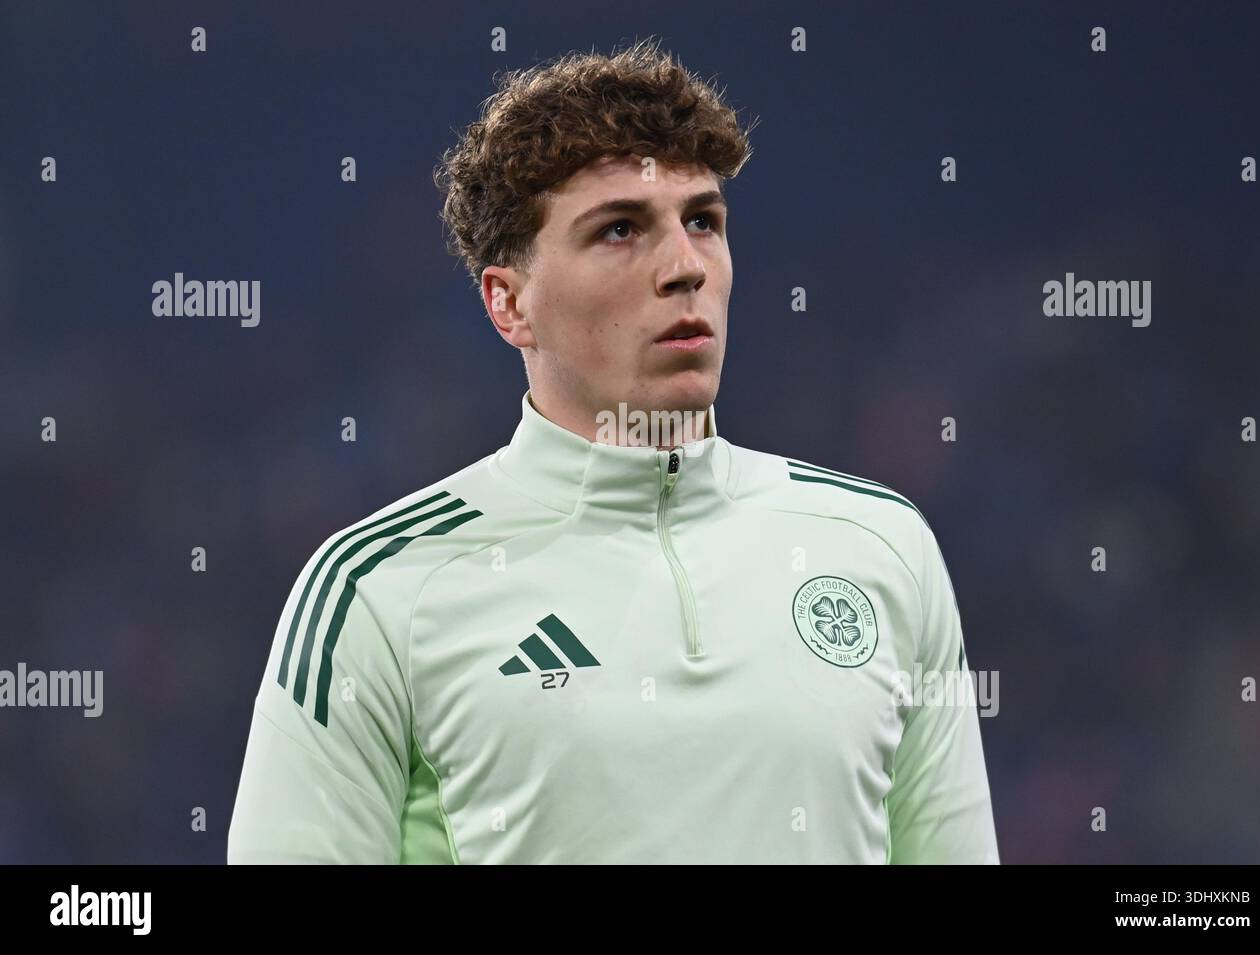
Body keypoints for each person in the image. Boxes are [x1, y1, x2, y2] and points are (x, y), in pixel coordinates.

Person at [228, 37, 999, 864]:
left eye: (703, 220)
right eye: (621, 230)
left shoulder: (884, 545)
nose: (684, 267)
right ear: (509, 305)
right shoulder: (376, 592)